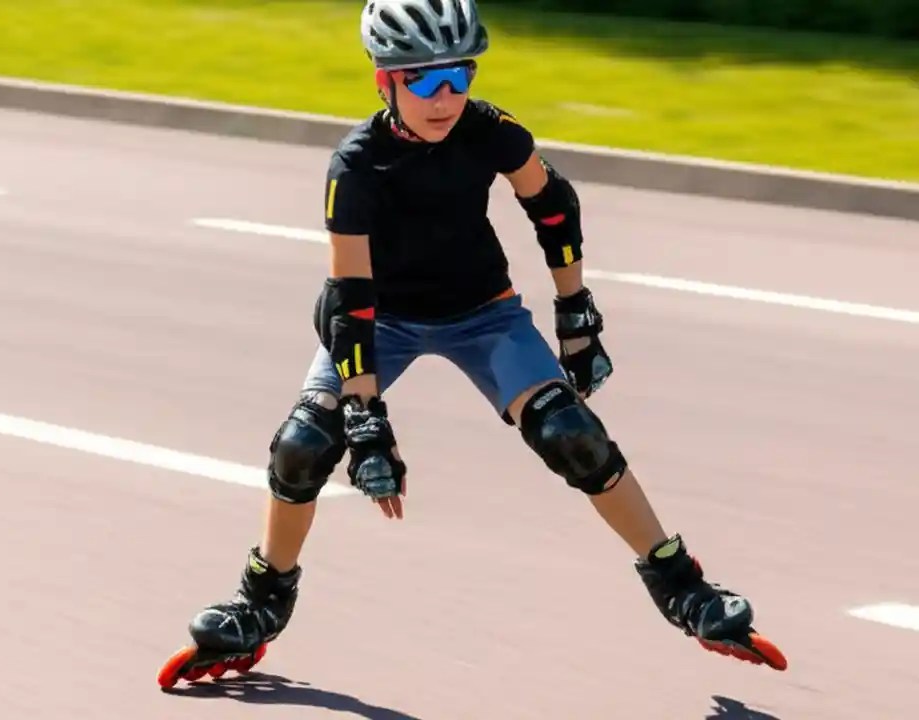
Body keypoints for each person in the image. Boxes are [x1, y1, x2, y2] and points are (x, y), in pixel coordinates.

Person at [166, 0, 785, 682]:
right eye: (424, 81)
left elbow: (554, 207)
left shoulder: (488, 129)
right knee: (304, 445)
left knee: (573, 435)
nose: (446, 98)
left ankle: (679, 583)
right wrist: (366, 418)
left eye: (459, 76)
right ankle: (262, 599)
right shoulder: (354, 167)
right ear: (386, 83)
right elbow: (351, 301)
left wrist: (576, 311)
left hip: (482, 312)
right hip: (384, 321)